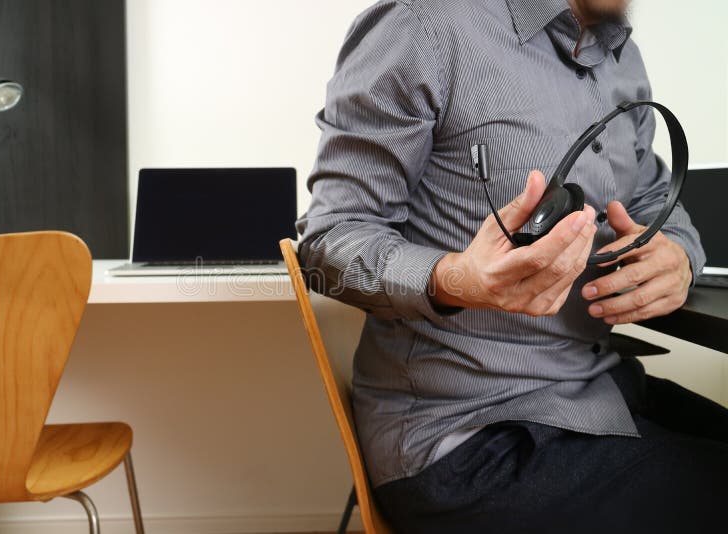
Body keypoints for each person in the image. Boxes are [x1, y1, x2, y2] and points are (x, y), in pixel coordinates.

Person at [295, 0, 728, 532]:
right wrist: (456, 279)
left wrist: (680, 253)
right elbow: (330, 239)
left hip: (602, 389)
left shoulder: (624, 57)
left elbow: (656, 198)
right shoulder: (422, 26)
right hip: (470, 439)